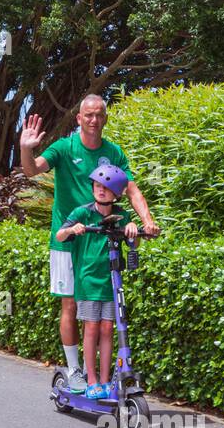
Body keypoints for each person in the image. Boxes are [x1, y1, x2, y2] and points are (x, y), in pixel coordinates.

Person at [19, 94, 159, 393]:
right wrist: (25, 148)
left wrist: (147, 221)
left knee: (105, 316)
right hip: (69, 239)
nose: (94, 120)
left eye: (99, 115)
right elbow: (32, 170)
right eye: (88, 115)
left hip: (100, 239)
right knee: (70, 304)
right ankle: (74, 371)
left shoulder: (113, 152)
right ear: (79, 118)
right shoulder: (65, 148)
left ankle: (103, 377)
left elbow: (131, 189)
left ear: (104, 119)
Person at [56, 165, 139, 400]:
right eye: (98, 186)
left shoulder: (122, 215)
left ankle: (105, 382)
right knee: (91, 328)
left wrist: (131, 228)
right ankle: (91, 380)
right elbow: (60, 235)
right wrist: (73, 228)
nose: (101, 191)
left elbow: (135, 243)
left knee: (107, 329)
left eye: (107, 188)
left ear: (116, 193)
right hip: (88, 280)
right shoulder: (82, 212)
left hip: (111, 281)